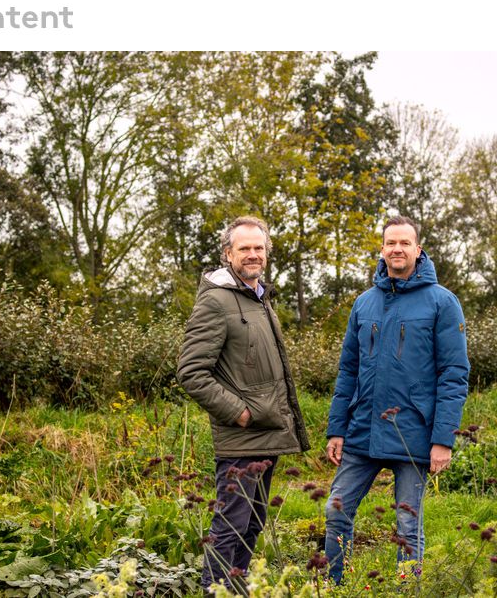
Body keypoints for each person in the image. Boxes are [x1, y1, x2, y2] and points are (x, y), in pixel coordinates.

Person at [323, 215, 470, 583]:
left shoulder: (442, 303)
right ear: (382, 249)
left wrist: (442, 439)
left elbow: (454, 375)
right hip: (362, 431)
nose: (397, 249)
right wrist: (337, 429)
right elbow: (348, 371)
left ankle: (408, 589)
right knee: (336, 510)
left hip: (414, 434)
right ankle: (335, 586)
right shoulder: (364, 303)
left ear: (418, 250)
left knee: (407, 524)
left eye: (405, 243)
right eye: (391, 243)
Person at [177, 215, 311, 594]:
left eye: (258, 248)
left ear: (266, 252)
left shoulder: (260, 297)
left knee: (252, 524)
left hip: (268, 433)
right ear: (227, 254)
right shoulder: (216, 301)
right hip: (241, 437)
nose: (253, 255)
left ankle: (234, 590)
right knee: (230, 525)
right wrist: (239, 412)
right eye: (244, 248)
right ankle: (214, 591)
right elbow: (190, 371)